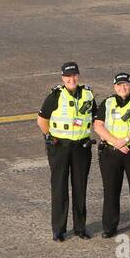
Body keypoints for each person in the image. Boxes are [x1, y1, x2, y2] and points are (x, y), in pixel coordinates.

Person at [37, 61, 95, 241]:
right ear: (63, 78)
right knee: (59, 188)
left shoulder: (88, 94)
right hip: (59, 147)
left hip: (81, 147)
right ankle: (59, 229)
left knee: (80, 188)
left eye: (74, 75)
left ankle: (80, 228)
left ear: (78, 76)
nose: (72, 79)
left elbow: (96, 118)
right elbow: (41, 119)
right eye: (68, 76)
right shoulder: (55, 95)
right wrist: (48, 135)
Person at [92, 72, 130, 238]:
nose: (122, 87)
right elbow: (98, 126)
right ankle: (110, 226)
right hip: (111, 153)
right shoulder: (107, 102)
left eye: (125, 84)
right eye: (119, 85)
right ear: (114, 87)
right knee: (111, 190)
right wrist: (115, 142)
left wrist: (125, 140)